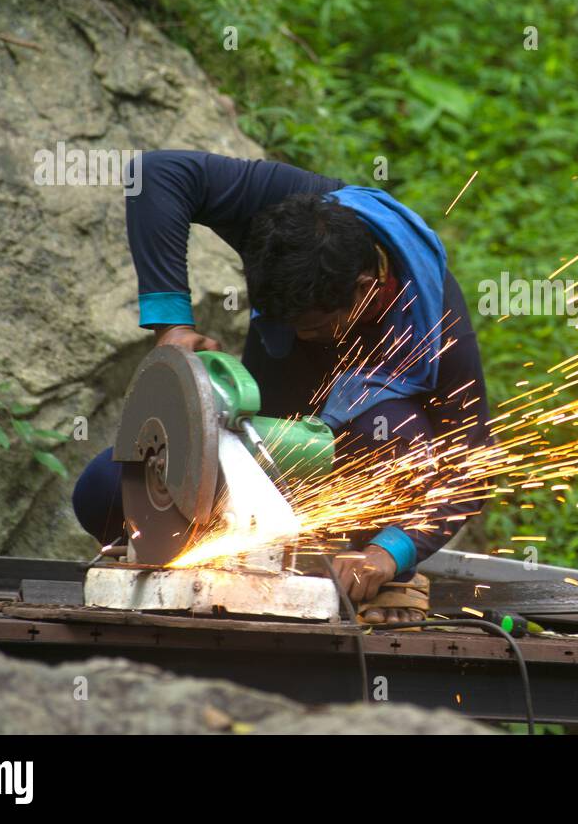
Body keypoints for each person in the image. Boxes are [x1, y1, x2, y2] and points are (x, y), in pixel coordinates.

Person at [71, 150, 491, 623]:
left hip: (357, 473)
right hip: (265, 449)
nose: (295, 337)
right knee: (102, 489)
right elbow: (155, 174)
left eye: (312, 328)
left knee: (392, 427)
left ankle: (381, 578)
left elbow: (473, 465)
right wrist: (170, 326)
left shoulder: (436, 321)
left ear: (365, 287)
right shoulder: (290, 211)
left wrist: (390, 550)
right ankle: (205, 550)